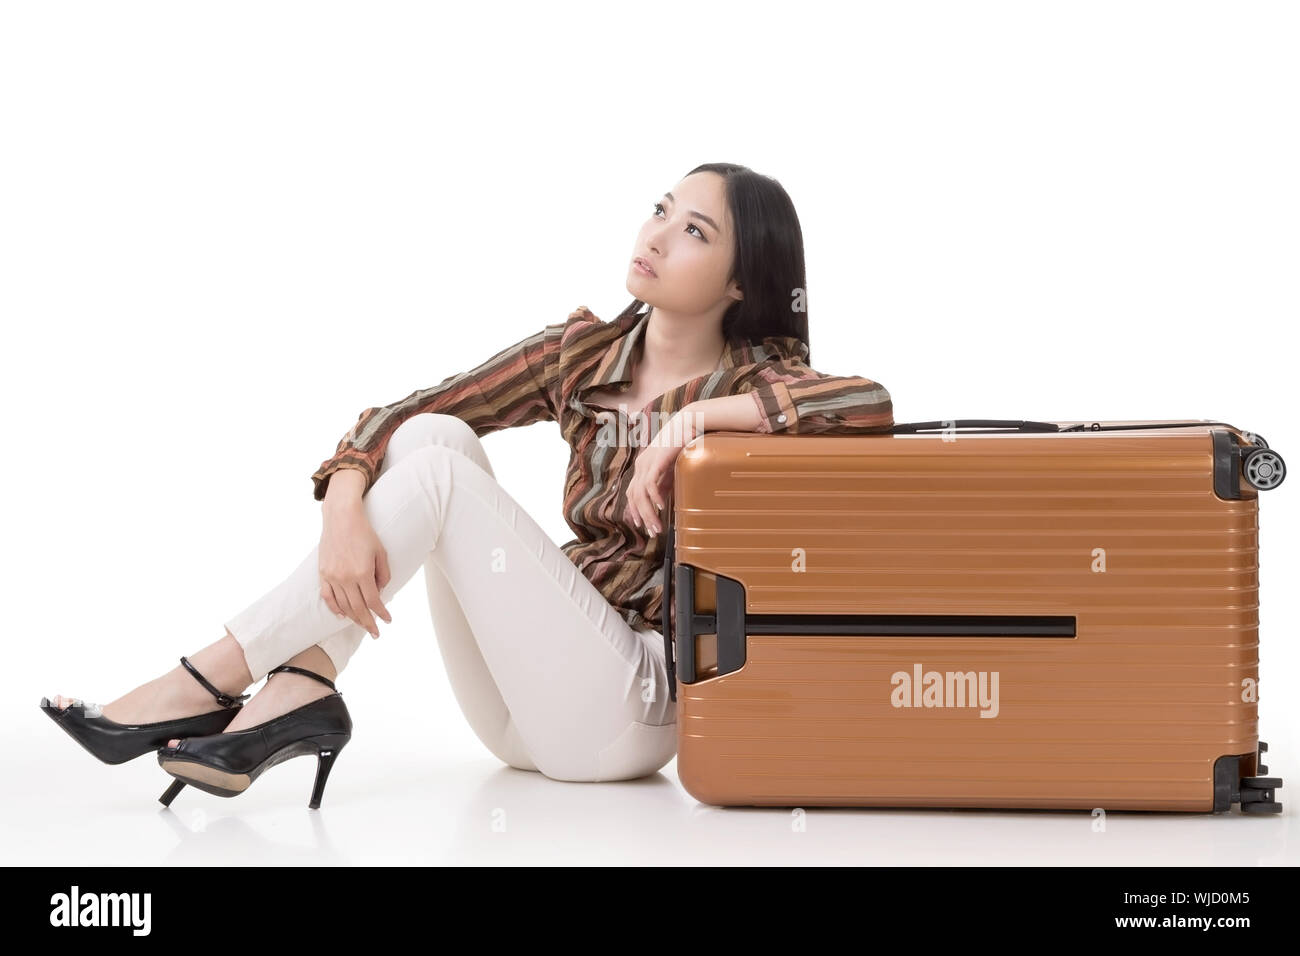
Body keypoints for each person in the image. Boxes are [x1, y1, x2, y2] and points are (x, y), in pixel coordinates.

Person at [40, 162, 895, 807]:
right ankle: (303, 683)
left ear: (743, 282)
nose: (659, 234)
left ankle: (211, 677)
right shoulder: (584, 354)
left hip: (632, 709)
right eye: (661, 210)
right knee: (435, 437)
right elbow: (405, 413)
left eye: (696, 232)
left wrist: (691, 423)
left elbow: (868, 405)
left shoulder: (757, 375)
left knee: (441, 472)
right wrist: (342, 504)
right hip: (521, 715)